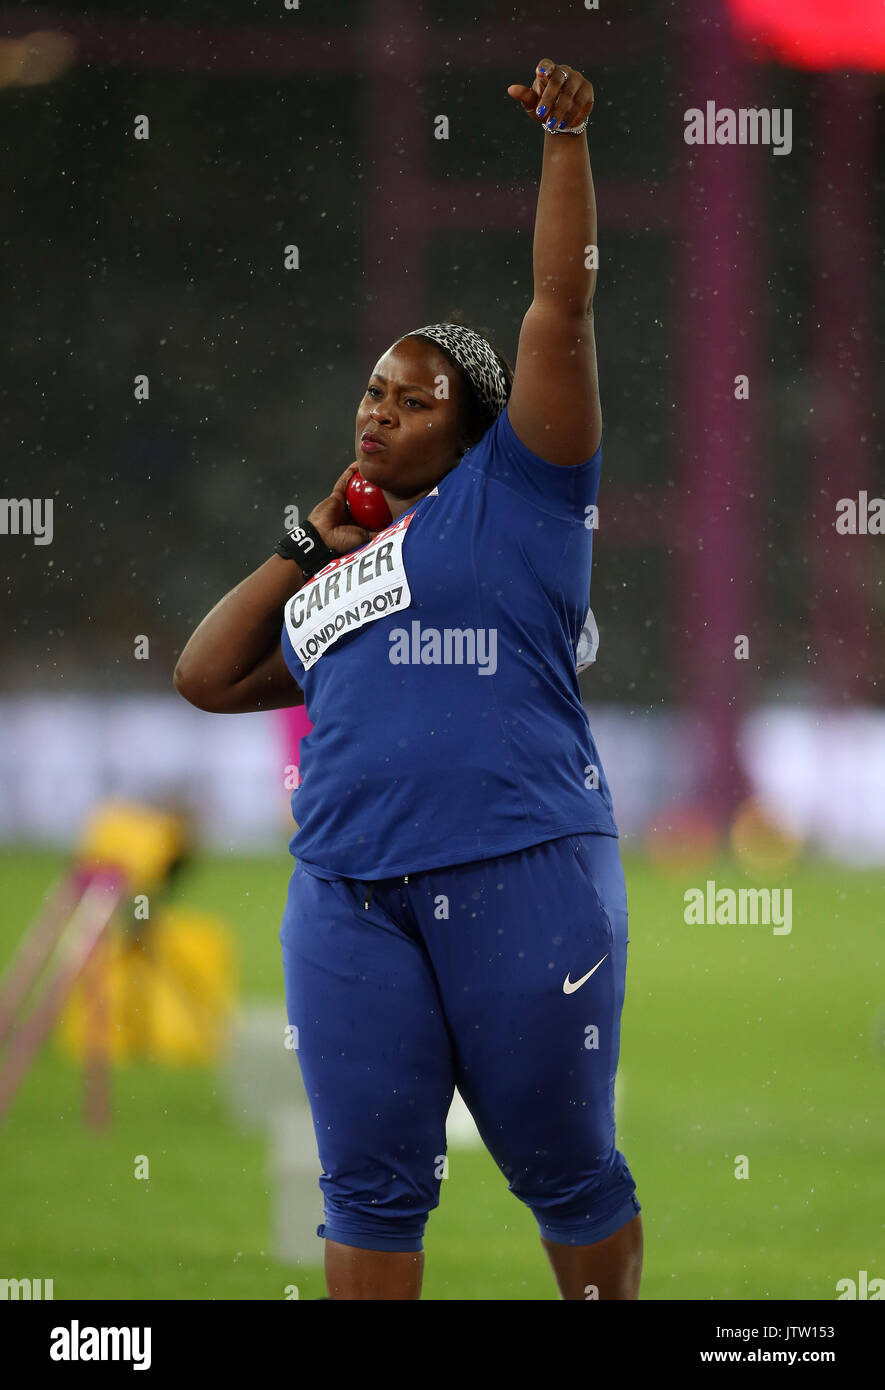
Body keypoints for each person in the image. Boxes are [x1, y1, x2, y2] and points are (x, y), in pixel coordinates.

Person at [174, 58, 642, 1301]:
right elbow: (205, 675)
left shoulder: (525, 494)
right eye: (372, 391)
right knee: (368, 1190)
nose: (377, 411)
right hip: (345, 894)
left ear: (478, 425)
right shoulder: (337, 574)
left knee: (567, 1168)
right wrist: (302, 544)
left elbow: (560, 304)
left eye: (411, 397)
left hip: (520, 867)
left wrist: (563, 141)